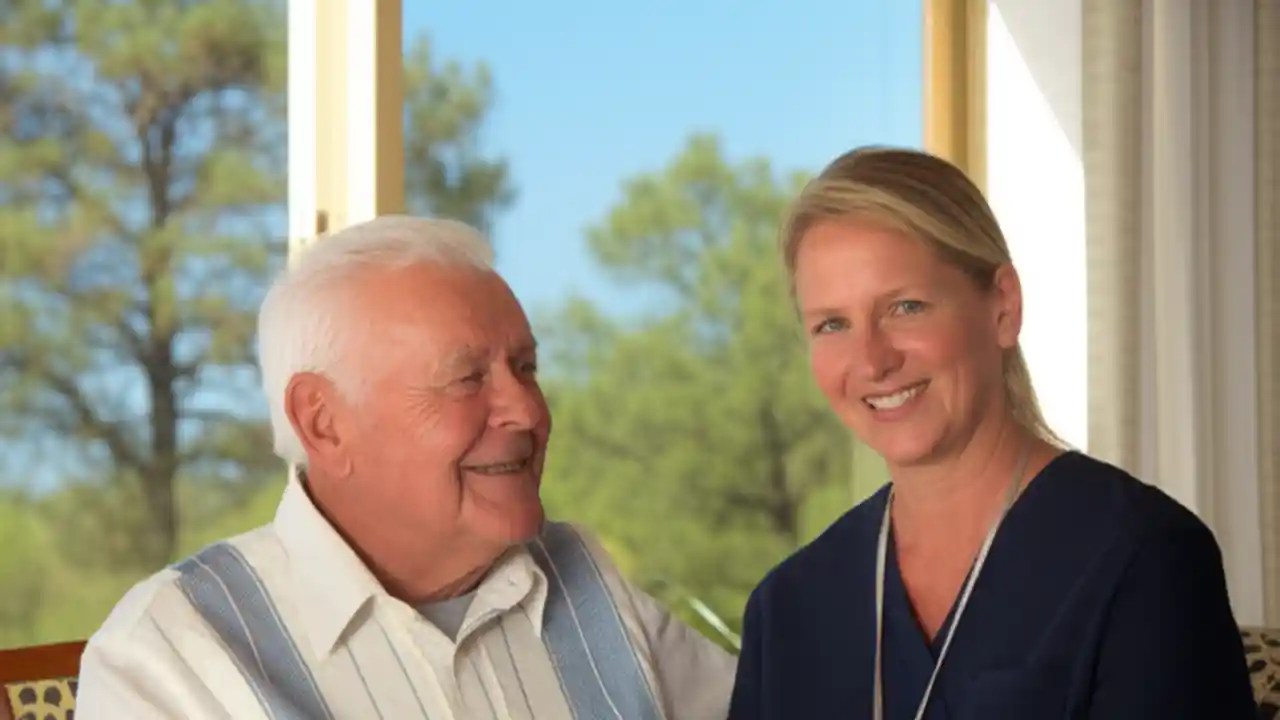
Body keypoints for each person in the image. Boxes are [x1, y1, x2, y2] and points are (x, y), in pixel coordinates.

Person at [77, 215, 735, 719]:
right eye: (467, 378)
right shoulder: (170, 652)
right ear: (324, 421)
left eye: (525, 368)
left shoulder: (586, 581)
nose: (527, 410)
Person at [727, 147, 1256, 719]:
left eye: (906, 307)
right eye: (833, 324)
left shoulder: (1143, 561)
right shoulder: (788, 610)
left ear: (1003, 307)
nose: (872, 360)